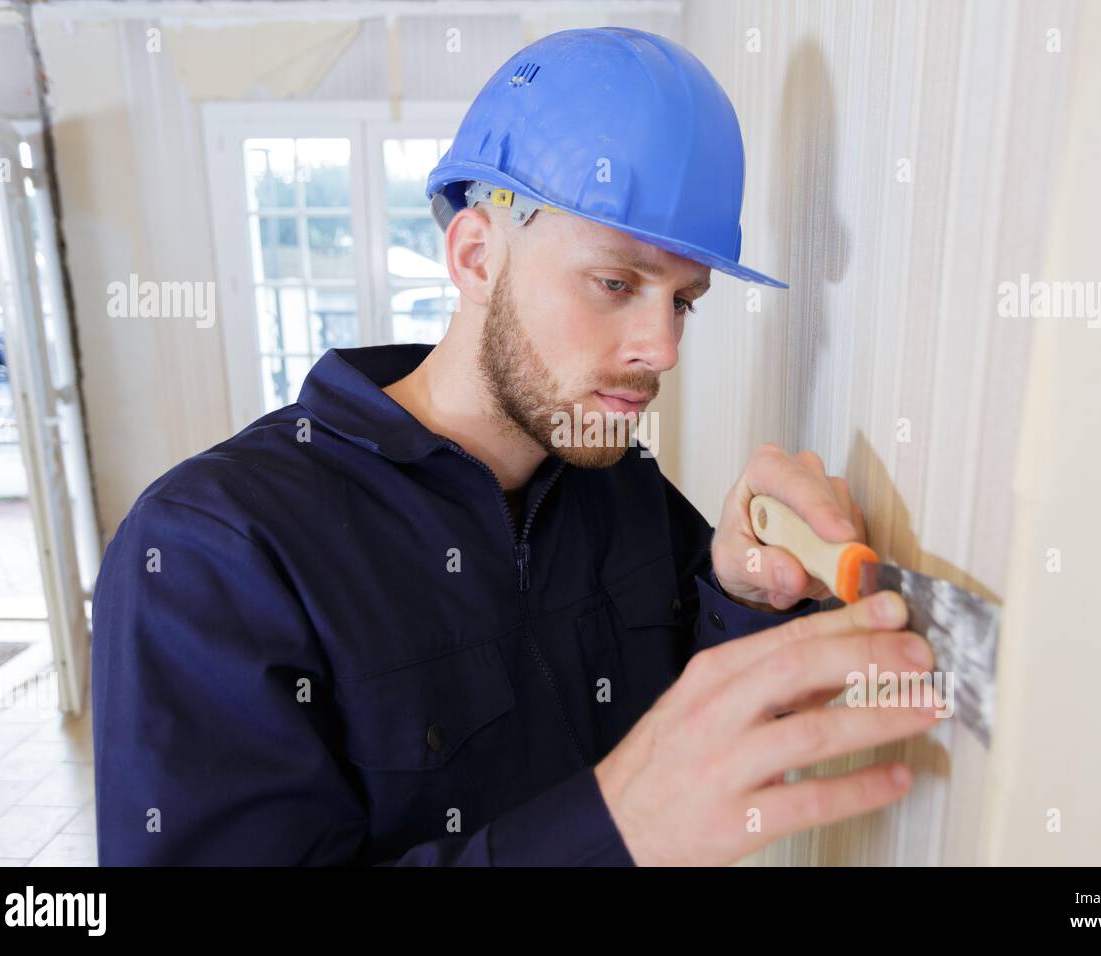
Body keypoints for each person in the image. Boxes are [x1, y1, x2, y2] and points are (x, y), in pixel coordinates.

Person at [91, 26, 935, 866]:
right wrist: (611, 831)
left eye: (683, 300)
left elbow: (698, 742)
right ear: (475, 255)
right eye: (616, 283)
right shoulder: (214, 548)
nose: (663, 348)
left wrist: (741, 593)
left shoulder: (620, 488)